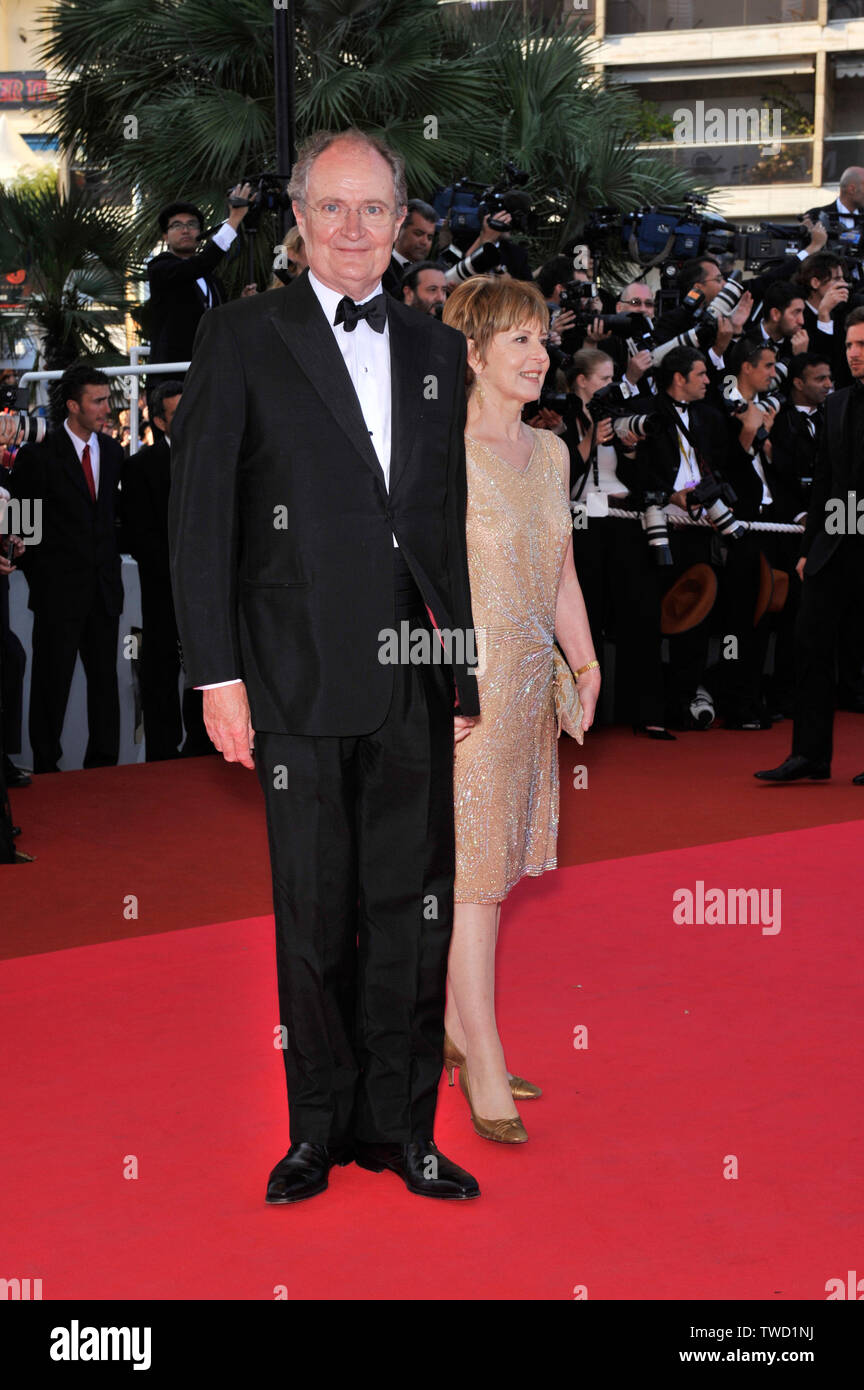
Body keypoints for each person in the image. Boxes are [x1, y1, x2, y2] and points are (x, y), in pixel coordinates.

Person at [168, 127, 482, 1204]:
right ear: (298, 217)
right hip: (291, 676)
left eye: (375, 210)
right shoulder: (239, 334)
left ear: (403, 222)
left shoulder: (439, 349)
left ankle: (403, 1130)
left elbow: (444, 524)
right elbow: (199, 517)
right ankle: (315, 1130)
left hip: (409, 669)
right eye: (333, 208)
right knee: (313, 910)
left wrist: (462, 670)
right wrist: (216, 674)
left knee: (414, 904)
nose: (354, 230)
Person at [440, 276, 600, 1142]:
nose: (541, 356)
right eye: (520, 342)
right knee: (472, 878)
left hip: (531, 689)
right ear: (472, 354)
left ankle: (459, 1031)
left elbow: (564, 568)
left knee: (491, 874)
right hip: (468, 692)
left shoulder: (553, 454)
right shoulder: (439, 456)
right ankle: (484, 1057)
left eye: (544, 340)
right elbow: (417, 589)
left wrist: (585, 657)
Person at [756, 306, 864, 783]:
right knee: (811, 646)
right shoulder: (837, 403)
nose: (855, 354)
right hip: (836, 543)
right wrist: (808, 548)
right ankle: (810, 755)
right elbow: (827, 482)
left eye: (863, 345)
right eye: (850, 346)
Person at [10, 365, 123, 773]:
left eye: (107, 399)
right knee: (50, 684)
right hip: (59, 595)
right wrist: (46, 579)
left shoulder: (112, 453)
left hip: (104, 592)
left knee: (105, 684)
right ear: (73, 406)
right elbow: (23, 531)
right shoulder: (38, 456)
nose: (106, 408)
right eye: (98, 401)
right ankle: (46, 765)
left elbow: (114, 520)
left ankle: (103, 763)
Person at [120, 380, 211, 760]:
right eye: (178, 413)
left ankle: (202, 743)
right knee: (160, 670)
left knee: (206, 669)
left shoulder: (212, 462)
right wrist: (179, 570)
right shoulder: (139, 468)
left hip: (208, 590)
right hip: (162, 590)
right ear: (159, 422)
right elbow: (138, 535)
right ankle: (162, 752)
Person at [146, 186, 255, 383]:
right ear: (165, 236)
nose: (185, 230)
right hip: (173, 376)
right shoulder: (160, 268)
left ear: (200, 232)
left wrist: (242, 303)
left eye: (192, 224)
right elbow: (196, 267)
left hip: (210, 371)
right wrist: (234, 221)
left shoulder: (211, 279)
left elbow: (219, 319)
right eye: (176, 225)